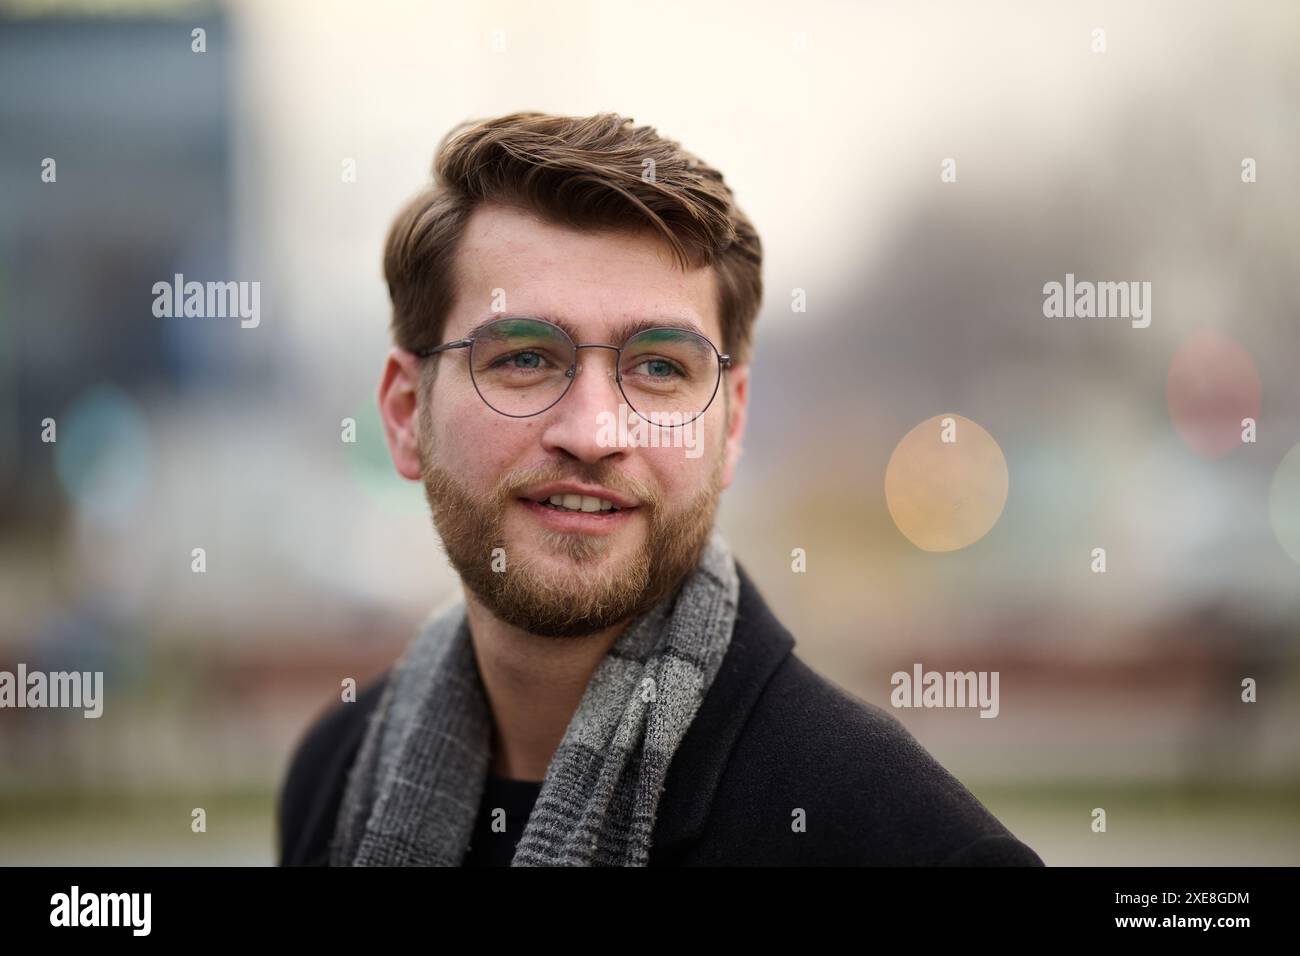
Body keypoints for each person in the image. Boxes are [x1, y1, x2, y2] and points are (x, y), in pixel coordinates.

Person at [277, 111, 1044, 867]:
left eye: (659, 368)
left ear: (732, 422)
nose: (593, 432)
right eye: (523, 357)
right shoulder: (334, 776)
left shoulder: (895, 840)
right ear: (407, 414)